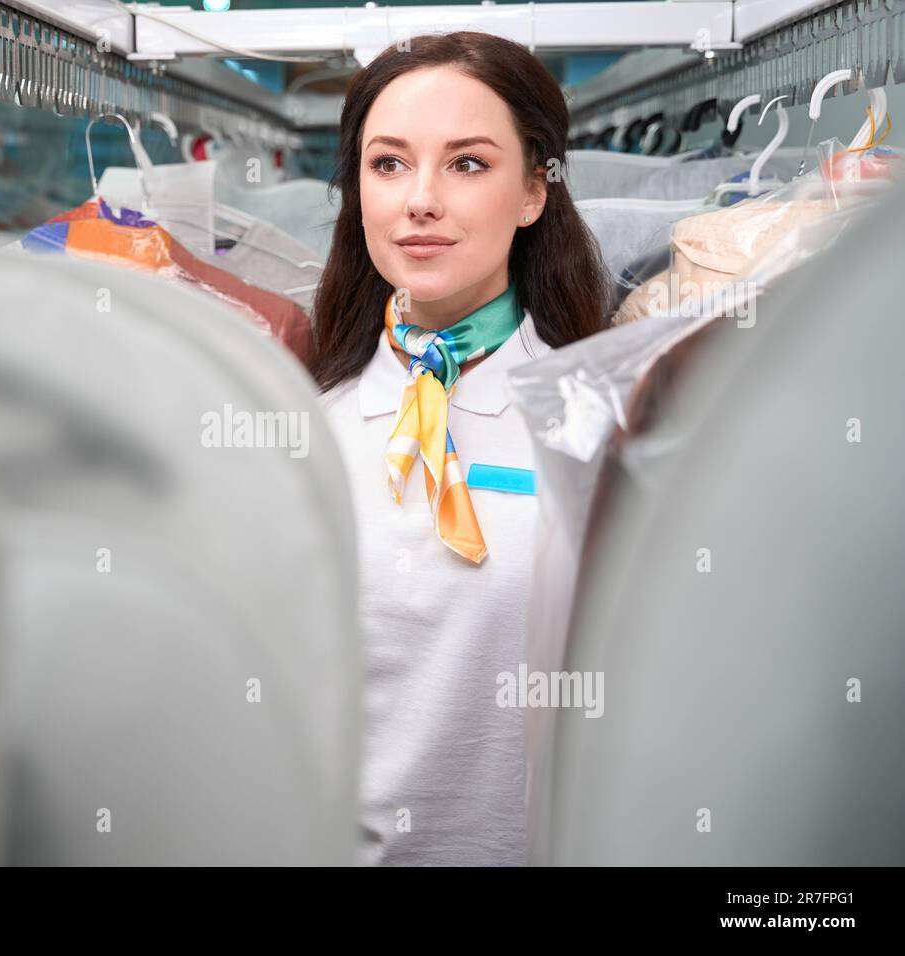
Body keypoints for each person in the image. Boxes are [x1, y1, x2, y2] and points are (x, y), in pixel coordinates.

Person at [312, 31, 609, 865]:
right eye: (388, 164)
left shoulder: (596, 427)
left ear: (534, 191)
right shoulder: (302, 435)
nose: (420, 201)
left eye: (468, 164)